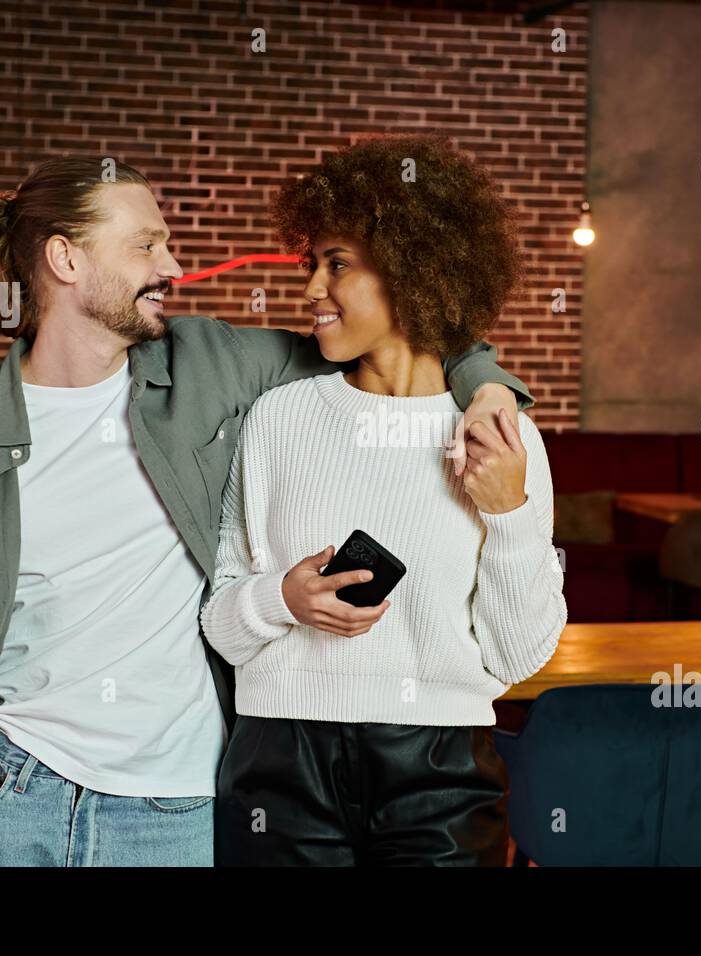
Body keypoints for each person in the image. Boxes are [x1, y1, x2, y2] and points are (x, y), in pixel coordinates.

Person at [0, 155, 533, 866]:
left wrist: (485, 382)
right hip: (7, 792)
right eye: (146, 245)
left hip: (173, 805)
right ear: (65, 258)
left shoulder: (214, 364)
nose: (172, 265)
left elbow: (392, 334)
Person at [202, 134, 567, 866]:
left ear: (413, 269)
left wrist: (508, 514)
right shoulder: (276, 419)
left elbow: (518, 655)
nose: (310, 289)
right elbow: (222, 623)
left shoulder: (500, 433)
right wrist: (283, 600)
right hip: (280, 758)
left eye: (336, 264)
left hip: (441, 770)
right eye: (312, 264)